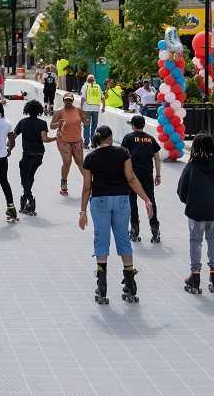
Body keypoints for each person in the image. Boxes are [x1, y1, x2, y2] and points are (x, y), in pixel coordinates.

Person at [79, 125, 154, 304]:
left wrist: (82, 211)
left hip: (100, 201)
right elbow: (131, 179)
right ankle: (130, 282)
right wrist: (147, 199)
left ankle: (102, 283)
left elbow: (87, 187)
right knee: (123, 239)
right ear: (110, 138)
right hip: (121, 199)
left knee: (101, 239)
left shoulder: (90, 157)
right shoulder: (123, 153)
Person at [177, 134, 214, 295]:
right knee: (213, 239)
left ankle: (195, 277)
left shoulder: (191, 167)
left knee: (196, 241)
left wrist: (189, 201)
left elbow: (181, 190)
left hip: (196, 210)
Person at [121, 115, 163, 243]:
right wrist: (158, 174)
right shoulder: (150, 139)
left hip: (132, 174)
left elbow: (122, 156)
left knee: (132, 199)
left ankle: (134, 228)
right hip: (147, 173)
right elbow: (156, 157)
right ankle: (154, 227)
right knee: (150, 199)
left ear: (133, 125)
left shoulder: (128, 138)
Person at [12, 100, 53, 216]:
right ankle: (25, 199)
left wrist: (8, 147)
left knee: (24, 178)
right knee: (30, 177)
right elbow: (45, 139)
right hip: (39, 154)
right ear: (39, 110)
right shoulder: (42, 123)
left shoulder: (22, 122)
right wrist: (55, 138)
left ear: (27, 110)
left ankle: (30, 200)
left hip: (28, 154)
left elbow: (13, 137)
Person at [50, 93, 86, 197]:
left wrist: (86, 119)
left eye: (70, 100)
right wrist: (58, 124)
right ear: (63, 100)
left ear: (73, 100)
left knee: (80, 163)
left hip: (77, 141)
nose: (68, 102)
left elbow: (86, 122)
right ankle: (64, 183)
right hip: (63, 141)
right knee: (67, 162)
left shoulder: (78, 110)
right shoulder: (59, 112)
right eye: (66, 100)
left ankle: (89, 184)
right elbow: (51, 126)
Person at [80, 75, 104, 147]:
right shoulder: (98, 86)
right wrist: (103, 107)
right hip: (96, 109)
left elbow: (83, 97)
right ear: (94, 80)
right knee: (94, 125)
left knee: (86, 125)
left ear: (87, 80)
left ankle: (86, 143)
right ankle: (93, 142)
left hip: (87, 108)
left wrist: (81, 107)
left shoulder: (85, 86)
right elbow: (102, 97)